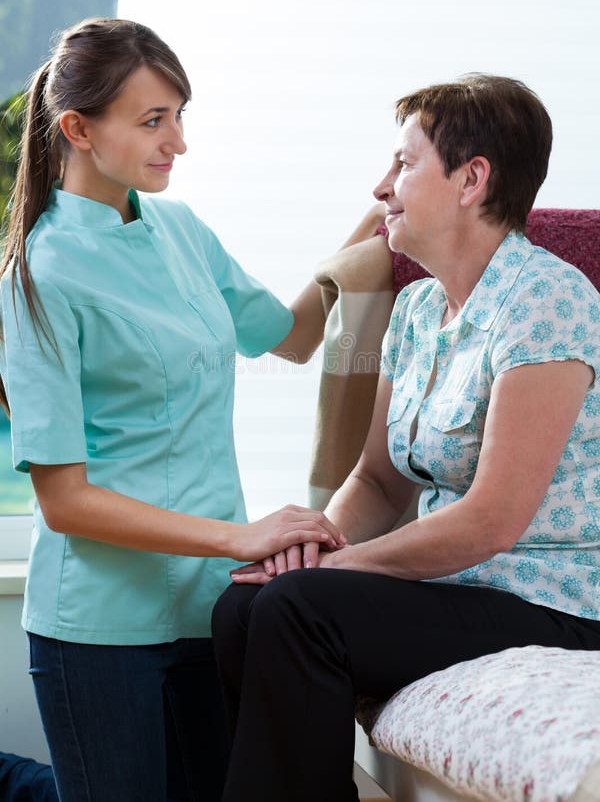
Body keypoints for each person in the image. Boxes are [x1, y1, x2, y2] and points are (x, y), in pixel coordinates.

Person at [0, 17, 384, 802]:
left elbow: (295, 334)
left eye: (180, 115)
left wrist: (384, 218)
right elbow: (64, 502)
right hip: (101, 626)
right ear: (77, 128)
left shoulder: (182, 230)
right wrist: (243, 536)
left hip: (207, 607)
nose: (178, 141)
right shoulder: (38, 276)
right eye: (152, 121)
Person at [212, 74, 600, 802]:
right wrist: (314, 547)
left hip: (557, 604)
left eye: (403, 164)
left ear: (471, 179)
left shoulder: (548, 300)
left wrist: (332, 572)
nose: (381, 187)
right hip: (464, 591)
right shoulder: (419, 307)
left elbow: (493, 520)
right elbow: (382, 481)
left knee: (299, 610)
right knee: (240, 607)